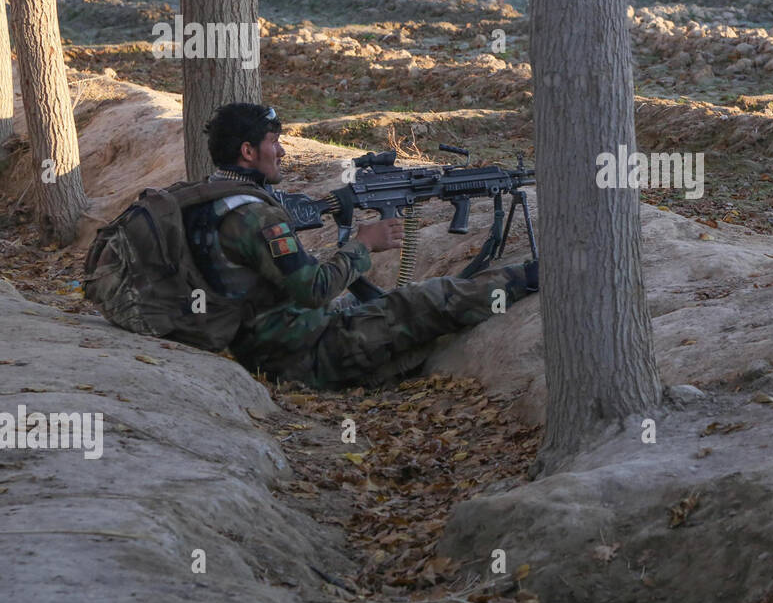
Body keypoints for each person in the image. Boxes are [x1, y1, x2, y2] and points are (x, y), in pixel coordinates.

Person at [187, 103, 538, 390]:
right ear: (248, 151)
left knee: (372, 300)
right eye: (272, 142)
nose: (280, 150)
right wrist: (362, 245)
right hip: (304, 357)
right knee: (429, 297)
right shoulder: (254, 215)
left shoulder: (215, 198)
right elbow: (315, 289)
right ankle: (530, 278)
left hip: (272, 345)